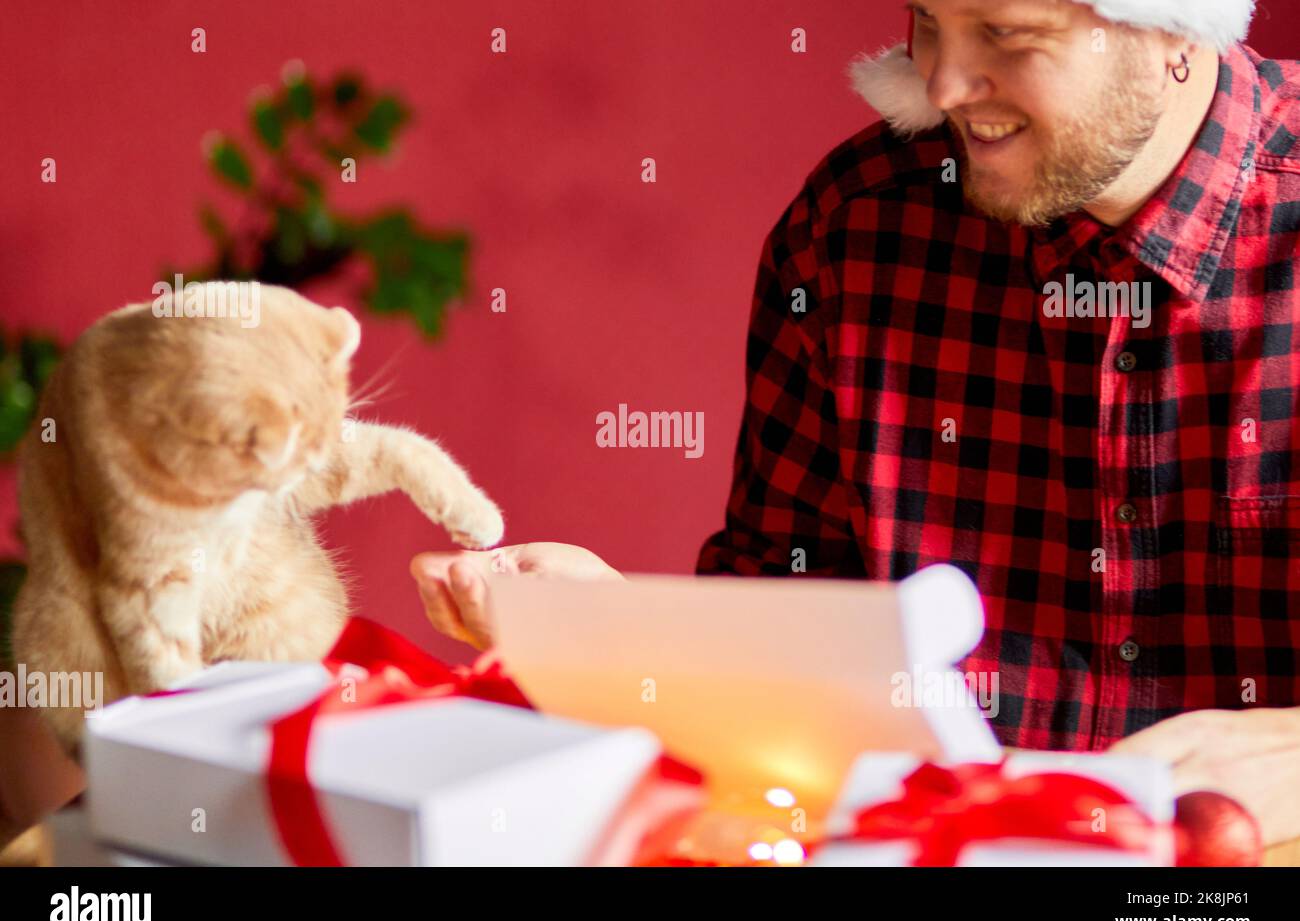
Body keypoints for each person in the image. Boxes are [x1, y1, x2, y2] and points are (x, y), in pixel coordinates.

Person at [412, 0, 1300, 846]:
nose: (946, 84)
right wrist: (620, 631)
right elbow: (785, 629)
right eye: (926, 21)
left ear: (1173, 28)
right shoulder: (855, 226)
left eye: (1005, 32)